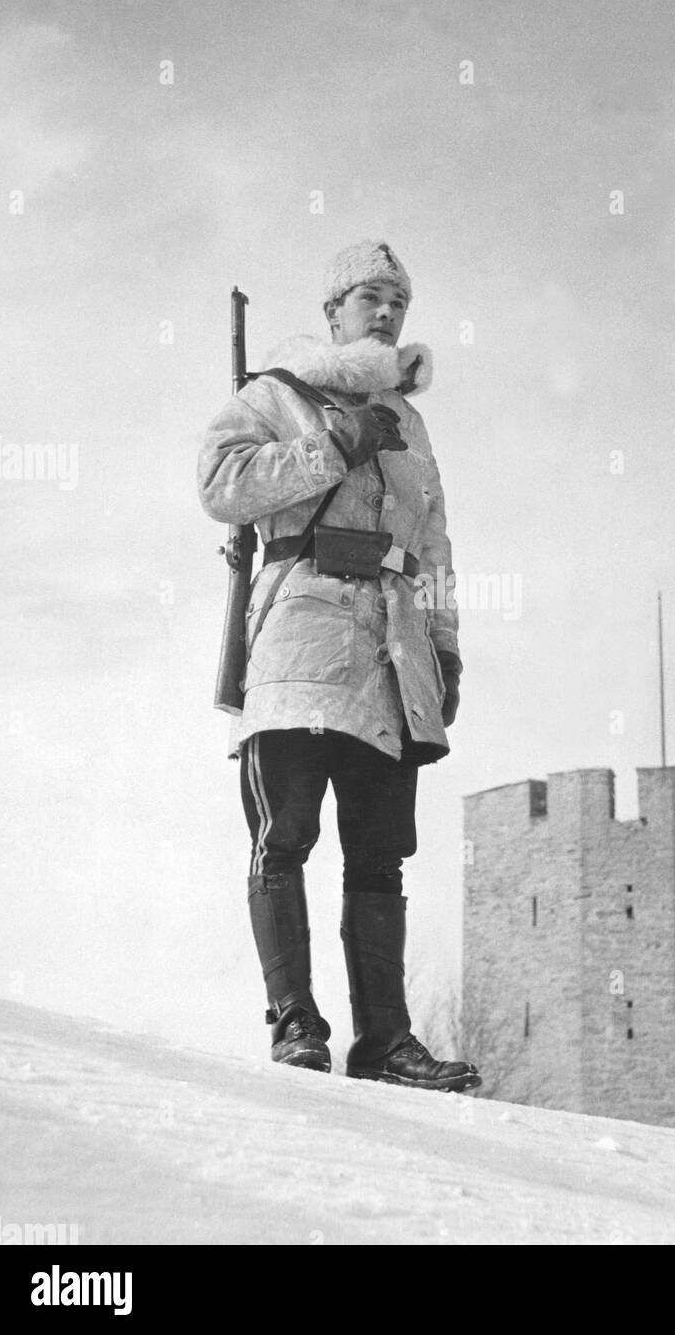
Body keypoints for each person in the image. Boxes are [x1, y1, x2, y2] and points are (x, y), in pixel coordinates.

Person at [198, 240, 480, 1092]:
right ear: (332, 312)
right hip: (297, 640)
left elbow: (430, 540)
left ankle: (385, 1043)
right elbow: (220, 482)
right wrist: (331, 448)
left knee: (379, 854)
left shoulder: (410, 420)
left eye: (397, 298)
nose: (386, 312)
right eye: (368, 296)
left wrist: (445, 641)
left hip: (392, 653)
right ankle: (296, 1025)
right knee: (283, 836)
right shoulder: (277, 393)